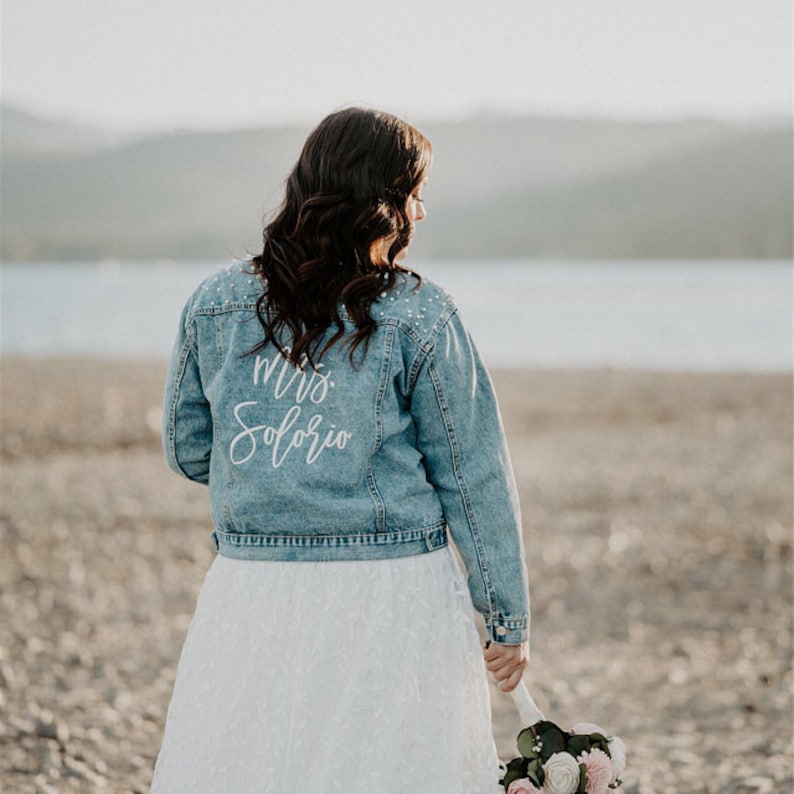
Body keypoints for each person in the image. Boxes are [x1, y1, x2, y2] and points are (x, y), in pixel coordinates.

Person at [151, 107, 529, 793]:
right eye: (414, 190)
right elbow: (474, 477)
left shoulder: (213, 303)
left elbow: (187, 446)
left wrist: (271, 470)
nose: (421, 209)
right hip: (393, 590)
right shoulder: (420, 314)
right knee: (391, 766)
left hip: (252, 587)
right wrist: (506, 615)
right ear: (383, 199)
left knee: (257, 765)